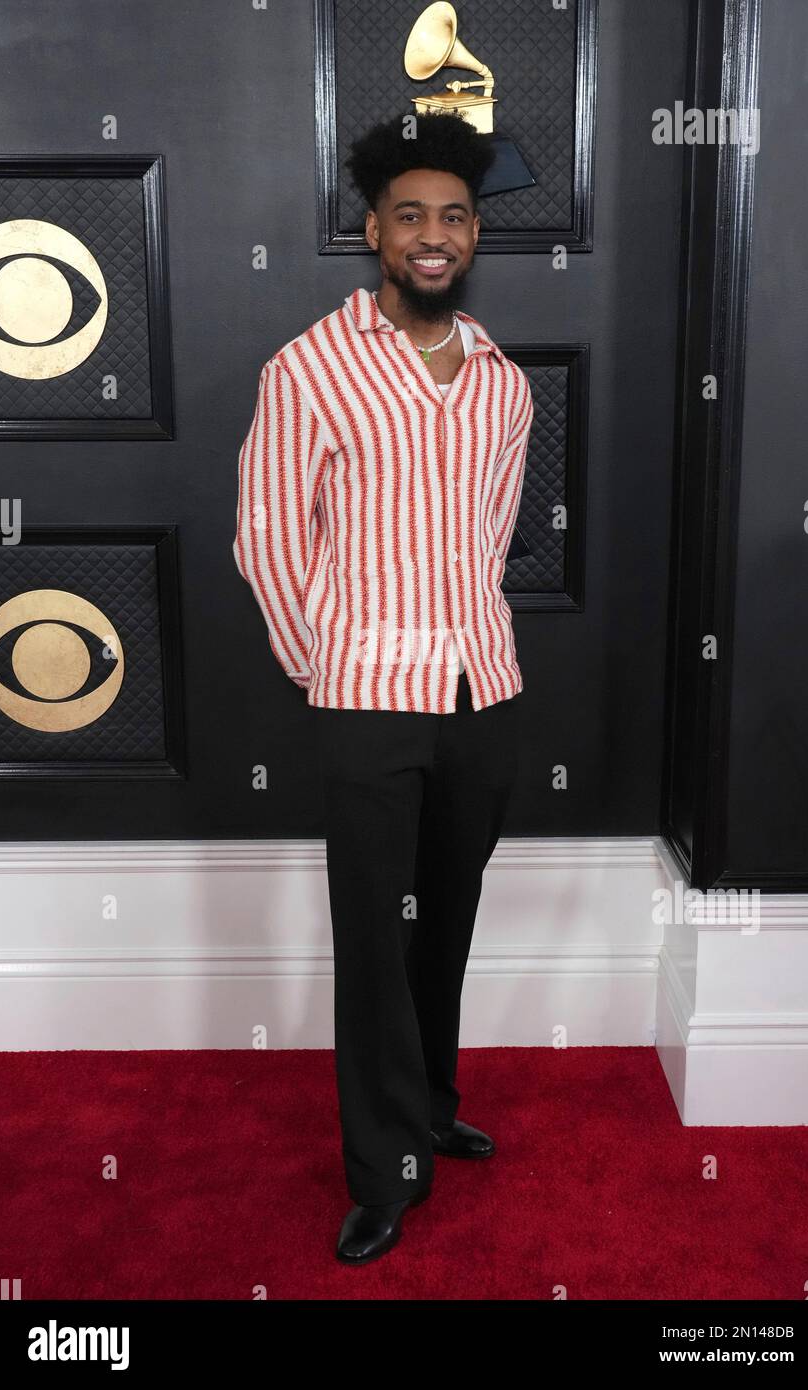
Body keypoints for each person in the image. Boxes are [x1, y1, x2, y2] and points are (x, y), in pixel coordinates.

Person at [233, 111, 534, 1264]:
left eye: (451, 217)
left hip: (483, 690)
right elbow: (267, 539)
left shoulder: (503, 383)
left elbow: (492, 538)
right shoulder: (308, 368)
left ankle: (430, 1109)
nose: (431, 235)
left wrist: (469, 649)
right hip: (364, 697)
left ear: (469, 239)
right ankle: (383, 1170)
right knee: (372, 937)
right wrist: (335, 666)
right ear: (374, 232)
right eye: (409, 215)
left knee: (442, 920)